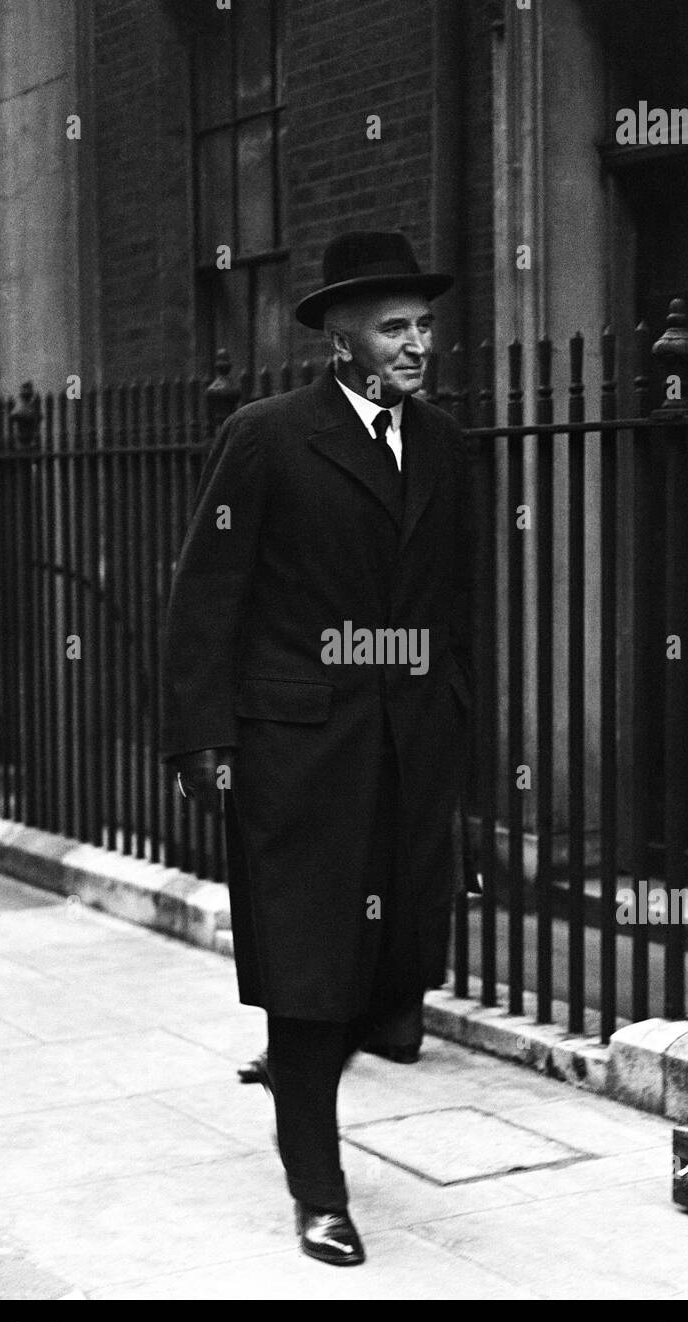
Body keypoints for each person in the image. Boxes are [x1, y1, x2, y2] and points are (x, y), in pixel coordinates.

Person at [160, 230, 474, 1266]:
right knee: (307, 971)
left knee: (391, 967)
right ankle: (319, 1189)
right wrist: (205, 738)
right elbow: (208, 595)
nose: (416, 344)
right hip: (297, 749)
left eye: (423, 325)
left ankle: (312, 1053)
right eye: (394, 328)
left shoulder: (447, 445)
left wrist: (461, 720)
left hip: (407, 744)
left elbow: (456, 607)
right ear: (342, 343)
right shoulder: (267, 437)